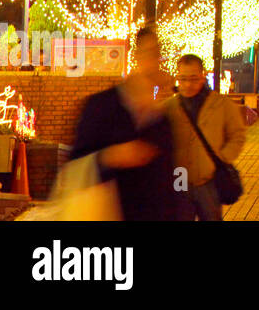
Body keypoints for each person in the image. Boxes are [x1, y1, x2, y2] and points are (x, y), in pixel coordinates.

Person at [69, 27, 181, 220]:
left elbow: (171, 177)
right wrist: (110, 156)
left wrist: (180, 201)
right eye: (147, 52)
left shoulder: (161, 120)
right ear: (136, 56)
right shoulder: (101, 106)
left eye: (156, 54)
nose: (153, 61)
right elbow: (74, 167)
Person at [166, 54, 247, 221]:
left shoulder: (220, 104)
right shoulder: (169, 107)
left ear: (202, 77)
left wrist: (222, 157)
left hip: (208, 177)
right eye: (183, 79)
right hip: (179, 177)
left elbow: (237, 135)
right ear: (177, 78)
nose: (188, 85)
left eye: (193, 79)